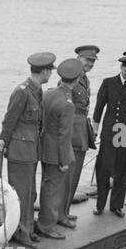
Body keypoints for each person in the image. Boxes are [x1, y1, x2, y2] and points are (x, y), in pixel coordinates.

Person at [0, 52, 54, 247]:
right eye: (50, 71)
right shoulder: (22, 91)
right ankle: (21, 232)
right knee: (20, 194)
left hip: (31, 149)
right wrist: (3, 145)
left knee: (30, 193)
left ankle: (27, 228)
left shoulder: (36, 90)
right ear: (44, 71)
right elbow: (9, 120)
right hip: (20, 151)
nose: (51, 75)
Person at [91, 53, 126, 217]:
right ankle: (100, 204)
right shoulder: (109, 83)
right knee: (104, 169)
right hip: (111, 132)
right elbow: (99, 107)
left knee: (122, 171)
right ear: (121, 68)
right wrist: (96, 127)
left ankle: (116, 205)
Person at [38, 58, 80, 237]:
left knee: (47, 186)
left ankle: (51, 219)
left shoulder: (48, 94)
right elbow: (64, 135)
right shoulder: (68, 104)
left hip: (44, 148)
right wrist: (64, 161)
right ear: (77, 80)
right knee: (53, 191)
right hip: (57, 153)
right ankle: (46, 225)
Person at [67, 45, 99, 217]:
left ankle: (65, 211)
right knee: (68, 176)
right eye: (88, 60)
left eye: (93, 61)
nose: (90, 63)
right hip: (71, 132)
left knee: (75, 175)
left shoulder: (85, 79)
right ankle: (60, 213)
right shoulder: (69, 79)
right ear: (78, 58)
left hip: (80, 132)